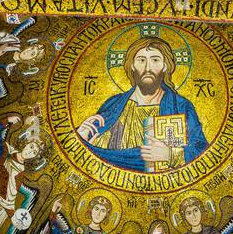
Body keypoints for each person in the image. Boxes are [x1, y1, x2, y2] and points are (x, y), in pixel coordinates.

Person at [76, 36, 207, 173]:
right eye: (141, 60)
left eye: (155, 60)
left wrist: (170, 155)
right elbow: (90, 152)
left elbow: (201, 150)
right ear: (132, 65)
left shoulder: (180, 106)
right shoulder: (113, 104)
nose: (147, 68)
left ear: (165, 66)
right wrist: (80, 138)